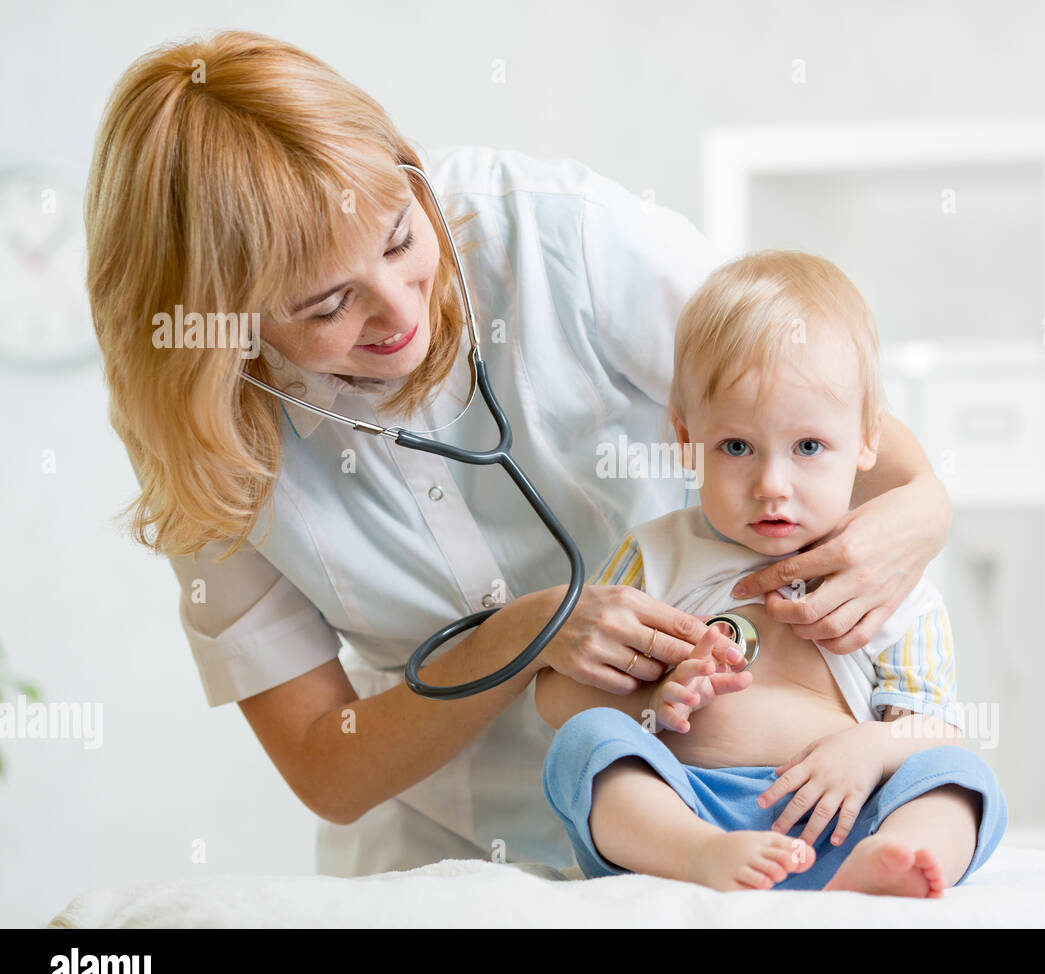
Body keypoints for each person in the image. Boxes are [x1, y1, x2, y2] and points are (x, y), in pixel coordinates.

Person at [86, 30, 956, 878]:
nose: (399, 312)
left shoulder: (561, 237)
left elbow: (799, 386)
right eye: (326, 305)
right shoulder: (208, 442)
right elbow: (327, 767)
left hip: (725, 819)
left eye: (398, 239)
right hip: (448, 860)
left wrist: (924, 505)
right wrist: (521, 638)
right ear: (224, 329)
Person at [537, 251, 1007, 894]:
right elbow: (555, 697)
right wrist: (651, 702)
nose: (772, 486)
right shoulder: (655, 555)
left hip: (845, 810)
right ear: (685, 439)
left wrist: (866, 751)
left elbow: (931, 725)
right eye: (736, 448)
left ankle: (891, 859)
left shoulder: (890, 580)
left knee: (960, 777)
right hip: (683, 804)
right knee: (586, 744)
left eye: (808, 447)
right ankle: (698, 854)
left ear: (867, 440)